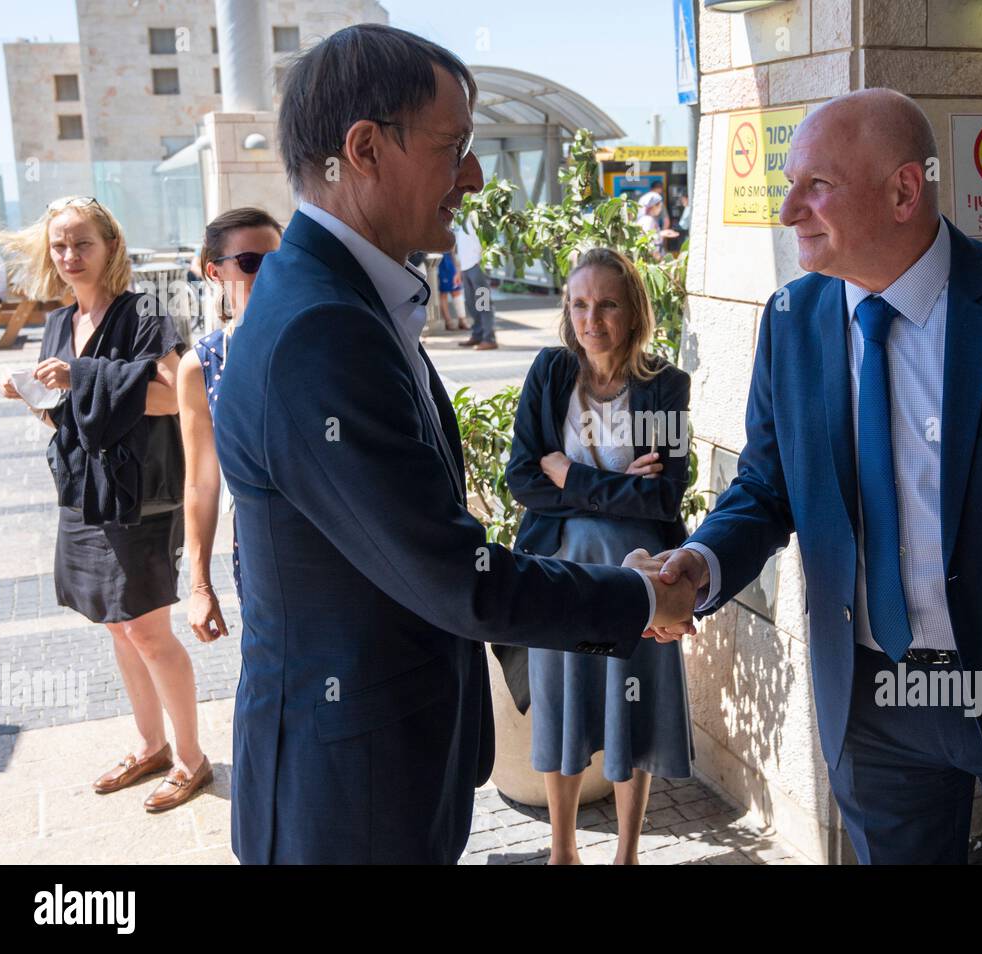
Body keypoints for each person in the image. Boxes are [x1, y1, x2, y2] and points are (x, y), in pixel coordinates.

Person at [648, 89, 982, 864]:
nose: (790, 211)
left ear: (905, 190)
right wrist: (701, 564)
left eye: (817, 187)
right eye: (789, 186)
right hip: (873, 707)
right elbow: (769, 488)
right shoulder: (793, 322)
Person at [213, 24, 695, 865]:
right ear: (364, 149)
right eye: (455, 147)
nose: (473, 176)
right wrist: (635, 599)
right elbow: (452, 575)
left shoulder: (340, 298)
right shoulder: (323, 328)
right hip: (347, 797)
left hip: (380, 767)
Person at [0, 195, 211, 812]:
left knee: (147, 629)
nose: (69, 256)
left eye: (82, 243)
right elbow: (68, 419)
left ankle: (191, 759)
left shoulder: (143, 312)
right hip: (83, 496)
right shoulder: (61, 322)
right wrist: (34, 396)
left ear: (110, 246)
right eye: (59, 245)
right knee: (116, 626)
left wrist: (80, 379)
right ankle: (150, 745)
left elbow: (173, 397)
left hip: (140, 496)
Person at [506, 247, 694, 864]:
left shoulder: (666, 386)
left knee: (627, 712)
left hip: (637, 580)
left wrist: (571, 473)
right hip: (558, 572)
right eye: (580, 304)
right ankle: (562, 852)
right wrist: (618, 484)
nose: (592, 319)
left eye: (607, 303)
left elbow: (664, 497)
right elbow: (523, 479)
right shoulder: (550, 373)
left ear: (633, 311)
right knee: (560, 713)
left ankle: (627, 854)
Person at [177, 207, 283, 641]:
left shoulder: (321, 338)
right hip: (262, 550)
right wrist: (200, 585)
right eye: (250, 262)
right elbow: (202, 483)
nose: (268, 273)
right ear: (214, 273)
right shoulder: (201, 365)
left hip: (340, 540)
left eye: (278, 259)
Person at [454, 219, 497, 350]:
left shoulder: (479, 215)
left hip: (478, 265)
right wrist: (459, 270)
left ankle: (489, 339)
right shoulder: (461, 217)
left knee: (483, 304)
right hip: (466, 267)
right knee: (471, 304)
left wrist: (482, 261)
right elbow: (461, 245)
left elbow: (489, 240)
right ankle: (477, 335)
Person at [636, 192, 677, 260]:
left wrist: (662, 233)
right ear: (653, 206)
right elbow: (647, 240)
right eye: (660, 206)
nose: (660, 209)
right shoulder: (648, 220)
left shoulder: (648, 219)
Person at [435, 250, 467, 332]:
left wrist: (458, 269)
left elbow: (454, 249)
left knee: (457, 291)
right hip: (439, 259)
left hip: (450, 258)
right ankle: (448, 321)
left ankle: (462, 319)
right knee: (443, 293)